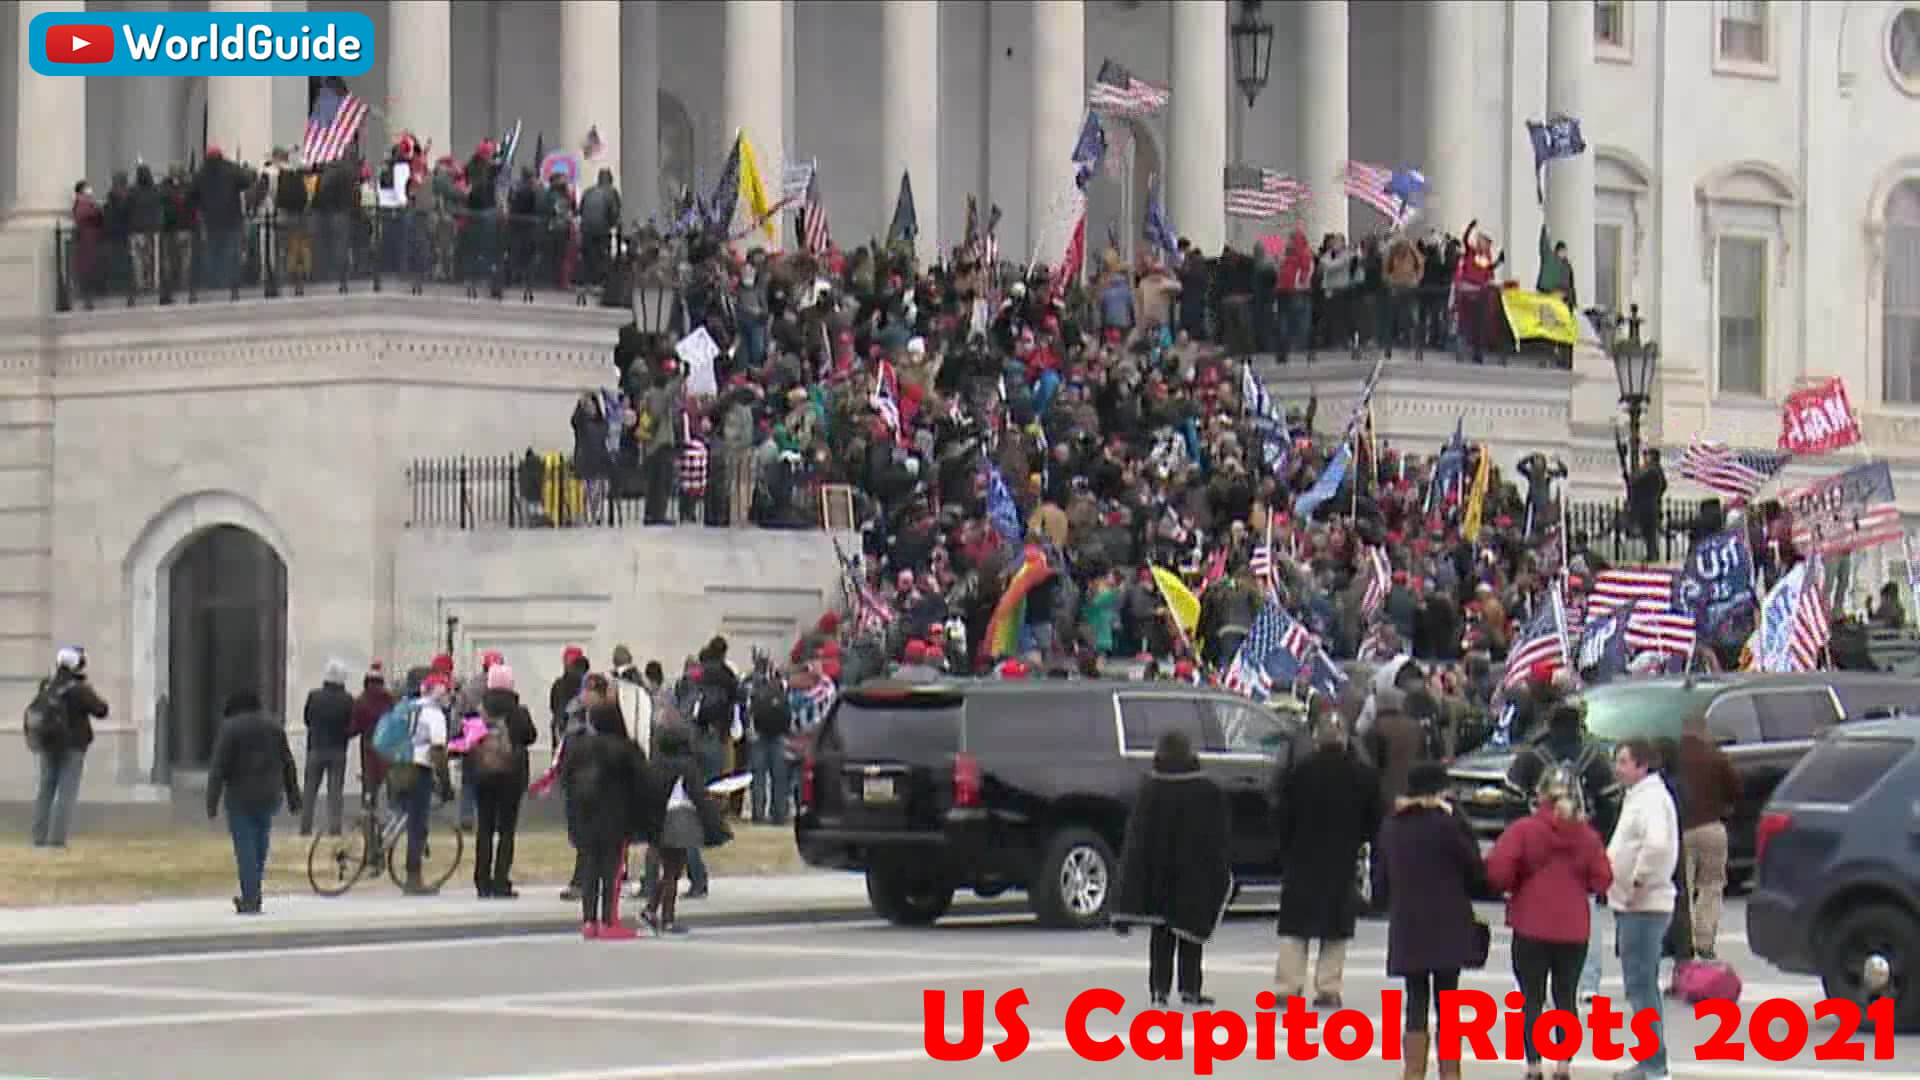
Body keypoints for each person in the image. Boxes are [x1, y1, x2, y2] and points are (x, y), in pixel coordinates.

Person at [1486, 765, 1613, 1080]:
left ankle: (1533, 1066)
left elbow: (1499, 870)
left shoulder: (1524, 830)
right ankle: (1563, 1065)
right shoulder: (1587, 837)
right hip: (1573, 927)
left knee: (1531, 998)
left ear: (1540, 795)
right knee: (1566, 997)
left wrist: (1515, 885)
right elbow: (1603, 879)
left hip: (1531, 924)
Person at [1379, 762, 1490, 1080]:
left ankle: (1413, 1072)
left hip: (1408, 923)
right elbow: (1474, 868)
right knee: (1448, 1000)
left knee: (1415, 998)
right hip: (1447, 922)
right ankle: (1450, 1073)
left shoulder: (1392, 825)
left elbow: (1381, 877)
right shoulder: (1448, 824)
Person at [1109, 730, 1232, 1007]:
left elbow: (1136, 838)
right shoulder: (1205, 790)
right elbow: (1218, 836)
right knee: (1190, 932)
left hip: (1157, 872)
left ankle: (1159, 990)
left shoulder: (1150, 788)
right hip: (1192, 873)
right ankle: (1190, 989)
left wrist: (1130, 883)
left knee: (1161, 933)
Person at [1271, 711, 1380, 1008]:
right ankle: (1328, 987)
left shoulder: (1300, 773)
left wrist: (1285, 849)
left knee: (1295, 926)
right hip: (1341, 858)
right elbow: (1374, 820)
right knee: (1336, 928)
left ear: (1316, 738)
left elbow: (1282, 816)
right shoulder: (1363, 776)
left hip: (1302, 857)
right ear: (1344, 739)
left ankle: (1288, 986)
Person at [1607, 738, 1680, 1080]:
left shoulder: (1650, 799)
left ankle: (1654, 1065)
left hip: (1644, 904)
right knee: (1638, 983)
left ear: (1642, 765)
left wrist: (1637, 881)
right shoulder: (1639, 796)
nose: (1617, 769)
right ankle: (1649, 1059)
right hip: (1635, 904)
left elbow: (1657, 844)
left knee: (1641, 984)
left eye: (1624, 762)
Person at [205, 691, 300, 915]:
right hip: (269, 794)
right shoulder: (274, 727)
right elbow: (288, 762)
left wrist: (212, 801)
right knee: (260, 842)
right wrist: (294, 796)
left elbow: (219, 767)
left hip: (240, 796)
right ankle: (253, 889)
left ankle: (251, 897)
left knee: (245, 847)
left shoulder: (230, 729)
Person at [562, 693, 648, 939]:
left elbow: (566, 779)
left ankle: (589, 921)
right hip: (615, 816)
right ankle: (609, 921)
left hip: (585, 814)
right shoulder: (625, 749)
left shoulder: (579, 747)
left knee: (589, 867)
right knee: (611, 870)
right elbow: (641, 781)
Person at [642, 725, 730, 935]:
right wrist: (715, 817)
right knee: (673, 871)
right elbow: (698, 795)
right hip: (679, 819)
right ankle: (667, 919)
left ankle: (651, 909)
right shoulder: (687, 766)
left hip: (659, 819)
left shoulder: (655, 765)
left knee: (667, 869)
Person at [27, 647, 110, 849]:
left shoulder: (47, 685)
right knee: (66, 794)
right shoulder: (79, 689)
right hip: (73, 747)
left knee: (45, 791)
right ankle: (56, 841)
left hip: (48, 745)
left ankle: (38, 838)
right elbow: (101, 710)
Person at [471, 663, 538, 899]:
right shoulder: (519, 712)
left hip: (483, 776)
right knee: (507, 830)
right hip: (511, 776)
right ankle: (501, 881)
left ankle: (482, 881)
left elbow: (469, 741)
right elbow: (531, 737)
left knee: (485, 829)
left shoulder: (479, 711)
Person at [1677, 716, 1737, 961]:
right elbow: (1735, 789)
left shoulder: (1674, 758)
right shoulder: (1717, 756)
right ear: (1703, 730)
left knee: (1685, 887)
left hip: (1681, 830)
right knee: (1711, 886)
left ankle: (1686, 940)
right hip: (1712, 826)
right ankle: (1705, 940)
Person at [397, 673, 456, 895]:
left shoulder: (408, 707)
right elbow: (438, 752)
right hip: (419, 769)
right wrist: (446, 785)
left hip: (397, 765)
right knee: (417, 824)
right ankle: (413, 878)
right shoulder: (435, 715)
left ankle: (376, 845)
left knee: (400, 812)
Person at [299, 660, 355, 836]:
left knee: (309, 791)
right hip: (338, 749)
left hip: (316, 747)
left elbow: (307, 719)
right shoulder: (348, 699)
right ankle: (335, 828)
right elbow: (351, 723)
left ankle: (305, 827)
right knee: (335, 792)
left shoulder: (314, 696)